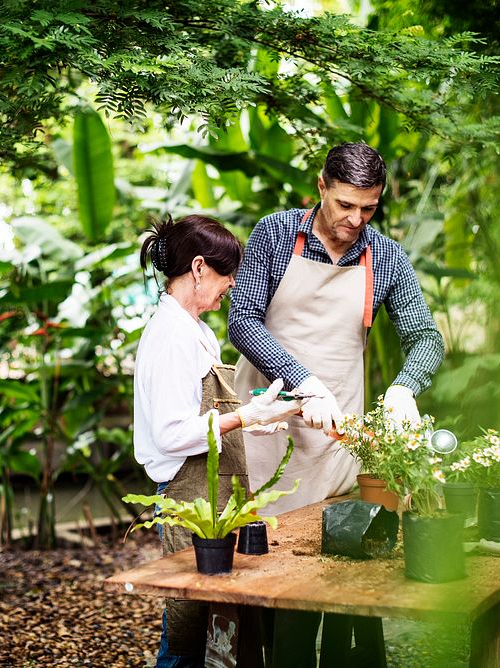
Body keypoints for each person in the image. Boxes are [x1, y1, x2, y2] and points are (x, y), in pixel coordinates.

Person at [228, 141, 445, 516]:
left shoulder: (387, 256)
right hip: (264, 426)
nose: (357, 219)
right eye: (345, 205)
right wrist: (305, 384)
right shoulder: (275, 235)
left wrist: (403, 389)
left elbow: (426, 337)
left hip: (335, 437)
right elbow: (243, 320)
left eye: (368, 208)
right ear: (322, 187)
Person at [133, 214, 304, 668]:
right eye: (227, 273)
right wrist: (244, 416)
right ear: (199, 268)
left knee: (219, 633)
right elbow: (171, 435)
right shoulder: (170, 336)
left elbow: (205, 414)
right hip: (188, 499)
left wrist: (259, 415)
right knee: (186, 635)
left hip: (216, 500)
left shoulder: (197, 331)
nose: (231, 284)